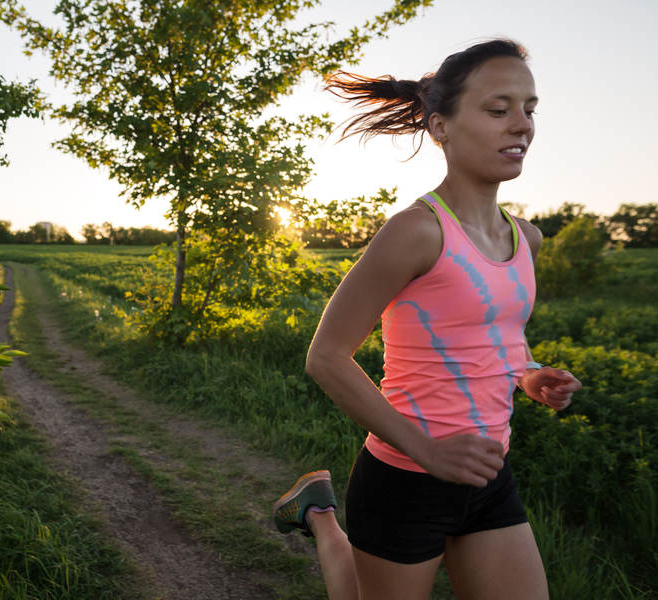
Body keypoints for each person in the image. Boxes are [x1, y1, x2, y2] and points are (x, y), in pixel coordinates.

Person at [271, 39, 582, 600]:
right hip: (405, 479)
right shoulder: (417, 231)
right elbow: (326, 356)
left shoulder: (526, 239)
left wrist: (531, 374)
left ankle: (318, 507)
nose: (522, 126)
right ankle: (318, 513)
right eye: (498, 109)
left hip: (487, 475)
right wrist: (427, 450)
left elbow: (499, 340)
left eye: (529, 109)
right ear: (441, 127)